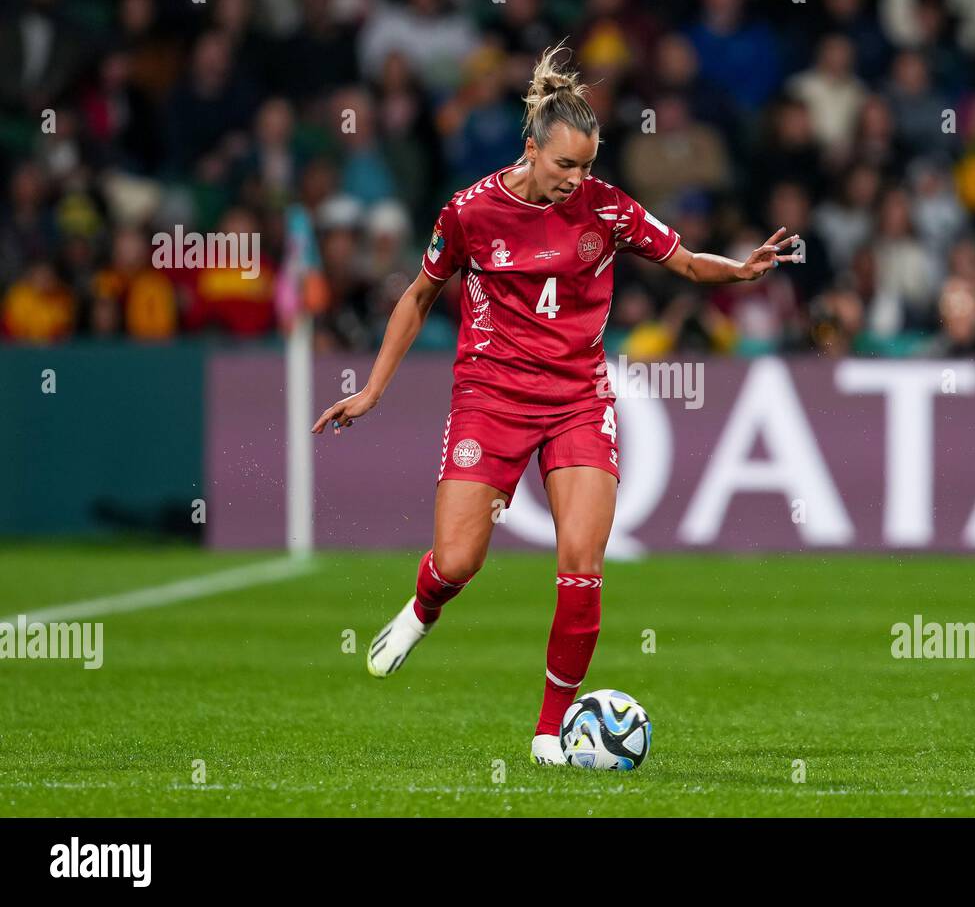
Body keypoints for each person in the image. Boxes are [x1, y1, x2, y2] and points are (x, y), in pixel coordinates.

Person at [312, 43, 801, 765]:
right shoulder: (471, 212)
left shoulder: (607, 210)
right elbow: (419, 296)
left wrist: (743, 269)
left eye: (588, 165)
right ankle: (424, 605)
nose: (577, 180)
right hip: (490, 396)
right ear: (531, 149)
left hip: (577, 398)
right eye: (564, 165)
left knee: (581, 560)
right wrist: (374, 389)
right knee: (458, 559)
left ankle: (548, 734)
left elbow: (689, 262)